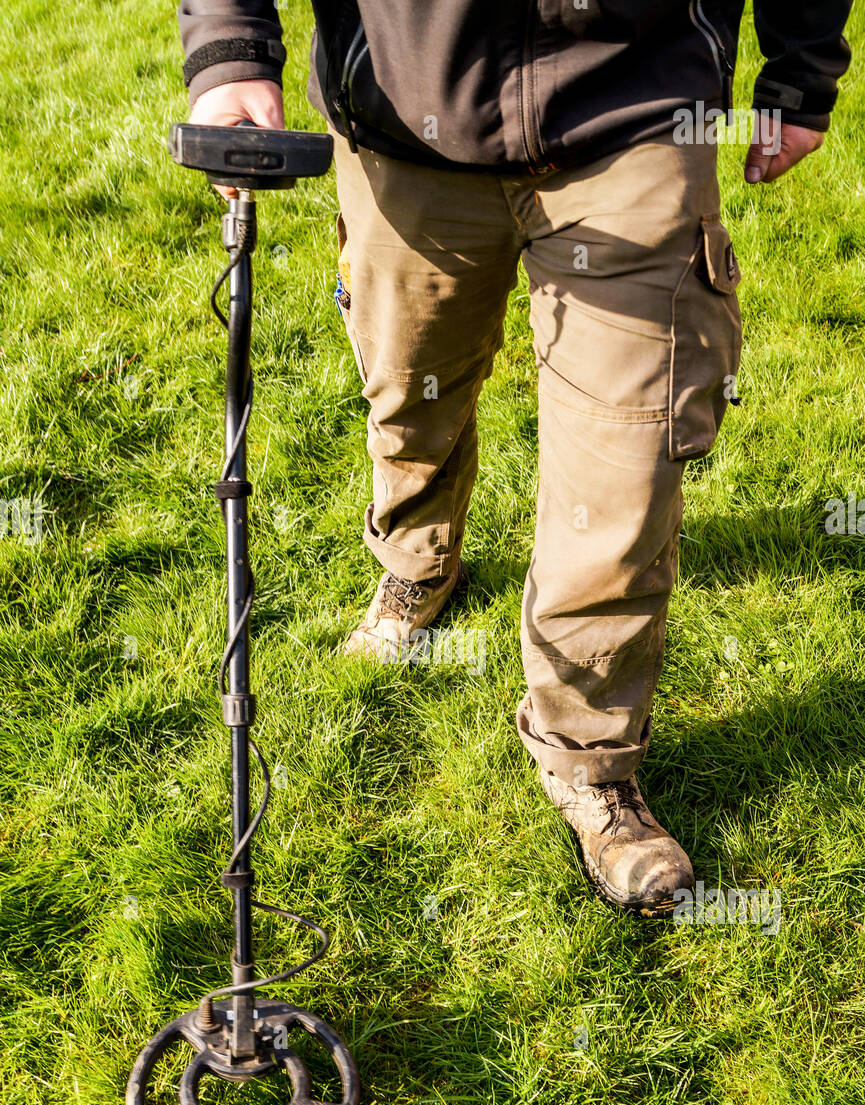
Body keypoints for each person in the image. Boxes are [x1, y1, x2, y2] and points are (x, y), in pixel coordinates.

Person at [178, 2, 851, 915]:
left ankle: (588, 761)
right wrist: (228, 54)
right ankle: (416, 563)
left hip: (633, 116)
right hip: (402, 117)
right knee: (411, 395)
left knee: (626, 463)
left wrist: (801, 73)